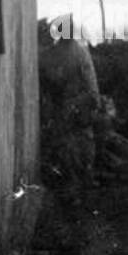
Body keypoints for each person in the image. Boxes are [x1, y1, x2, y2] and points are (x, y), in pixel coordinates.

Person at [37, 16, 100, 197]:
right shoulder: (80, 52)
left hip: (61, 107)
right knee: (84, 144)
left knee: (66, 146)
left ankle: (74, 183)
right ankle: (84, 180)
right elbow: (91, 81)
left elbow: (44, 82)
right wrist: (93, 100)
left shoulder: (48, 55)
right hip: (78, 105)